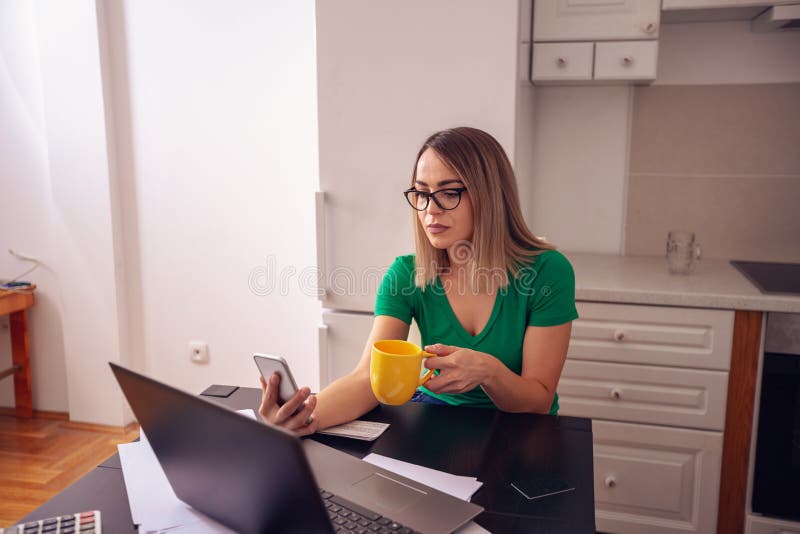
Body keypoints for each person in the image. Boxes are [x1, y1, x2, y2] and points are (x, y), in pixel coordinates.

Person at [259, 127, 578, 436]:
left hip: (521, 430)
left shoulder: (547, 272)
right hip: (437, 418)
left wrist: (489, 372)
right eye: (422, 194)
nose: (430, 210)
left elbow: (539, 400)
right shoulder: (407, 274)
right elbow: (366, 380)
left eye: (449, 193)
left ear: (491, 195)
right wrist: (304, 418)